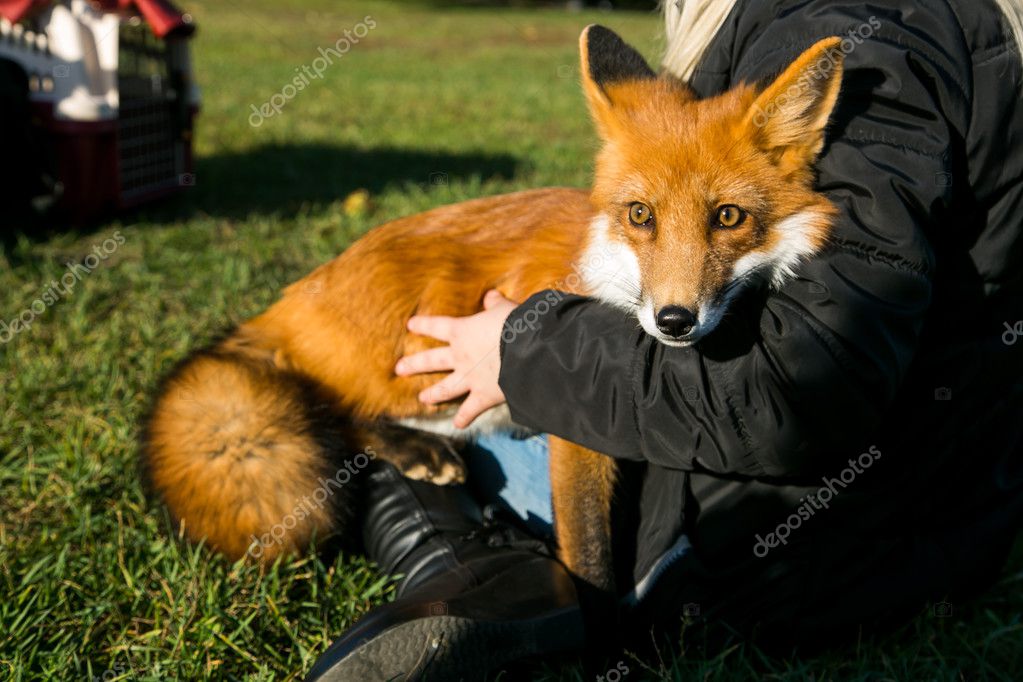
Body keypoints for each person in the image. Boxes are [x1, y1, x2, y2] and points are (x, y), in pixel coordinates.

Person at [306, 0, 1023, 678]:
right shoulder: (908, 26)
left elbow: (796, 393)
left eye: (728, 223)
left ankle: (496, 573)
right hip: (933, 501)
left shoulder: (863, 33)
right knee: (424, 407)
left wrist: (521, 350)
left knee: (414, 434)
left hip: (767, 546)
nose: (677, 290)